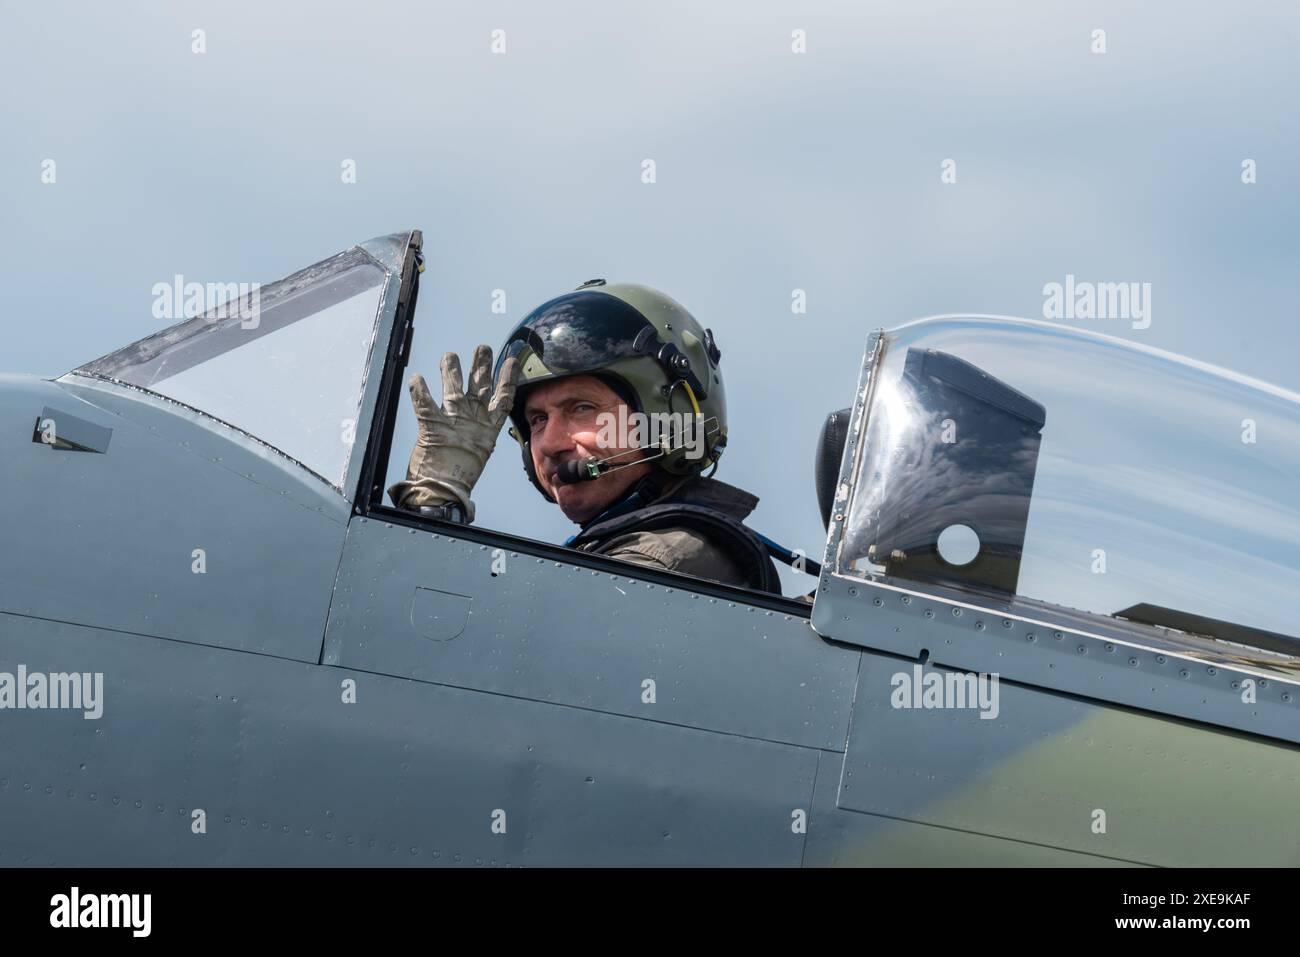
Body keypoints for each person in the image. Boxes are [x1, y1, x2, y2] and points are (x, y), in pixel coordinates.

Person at [388, 280, 782, 593]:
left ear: (669, 417)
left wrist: (433, 511)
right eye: (537, 419)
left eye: (581, 408)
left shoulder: (668, 561)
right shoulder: (610, 554)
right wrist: (434, 504)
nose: (549, 442)